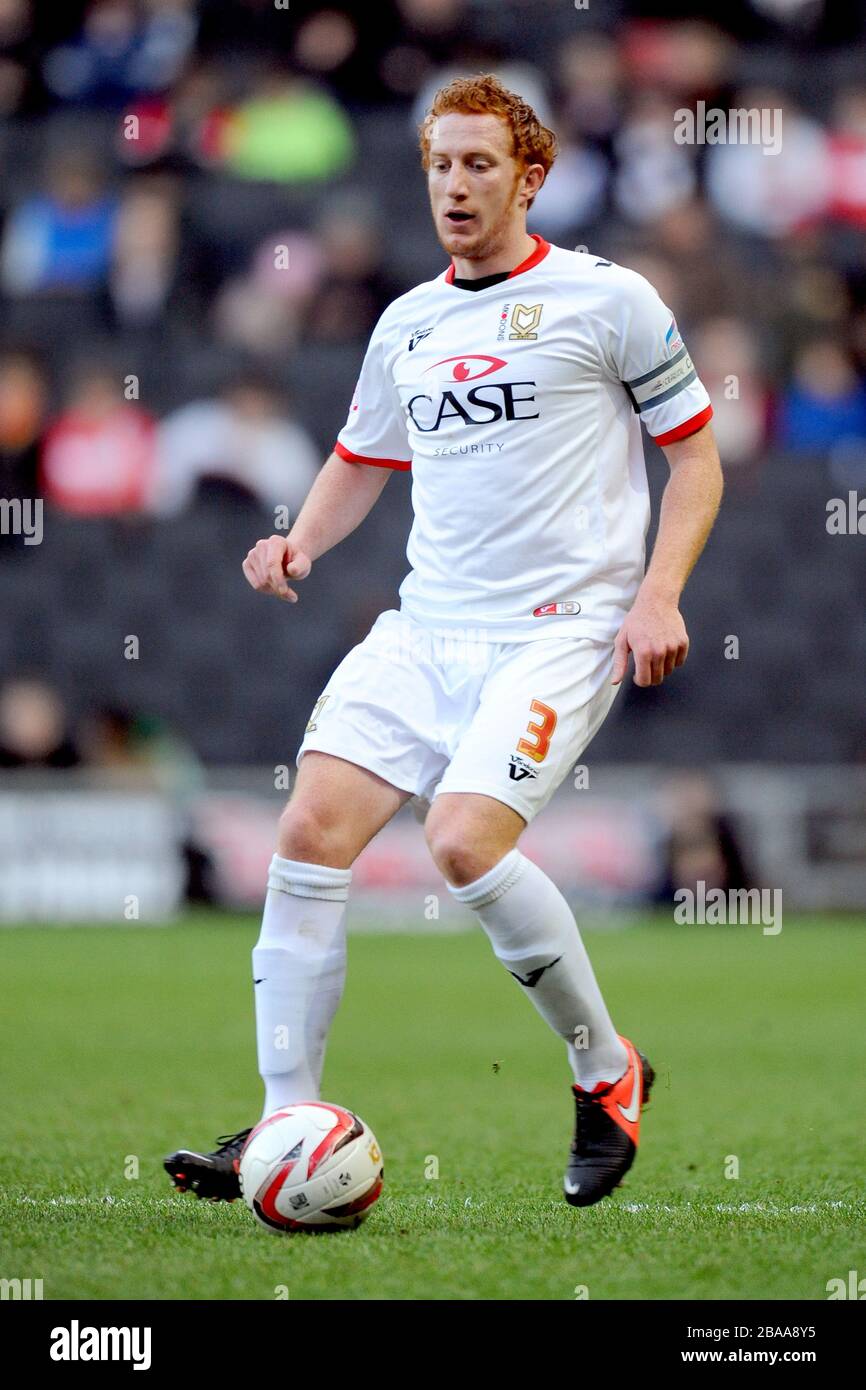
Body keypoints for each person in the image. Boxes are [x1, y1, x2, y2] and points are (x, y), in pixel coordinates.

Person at [165, 74, 722, 1211]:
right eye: (438, 164)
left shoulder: (607, 299)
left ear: (530, 176)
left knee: (463, 844)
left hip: (558, 632)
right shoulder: (406, 322)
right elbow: (362, 457)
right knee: (308, 828)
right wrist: (299, 545)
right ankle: (284, 1121)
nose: (454, 184)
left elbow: (696, 458)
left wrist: (658, 595)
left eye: (478, 164)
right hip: (424, 629)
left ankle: (603, 1070)